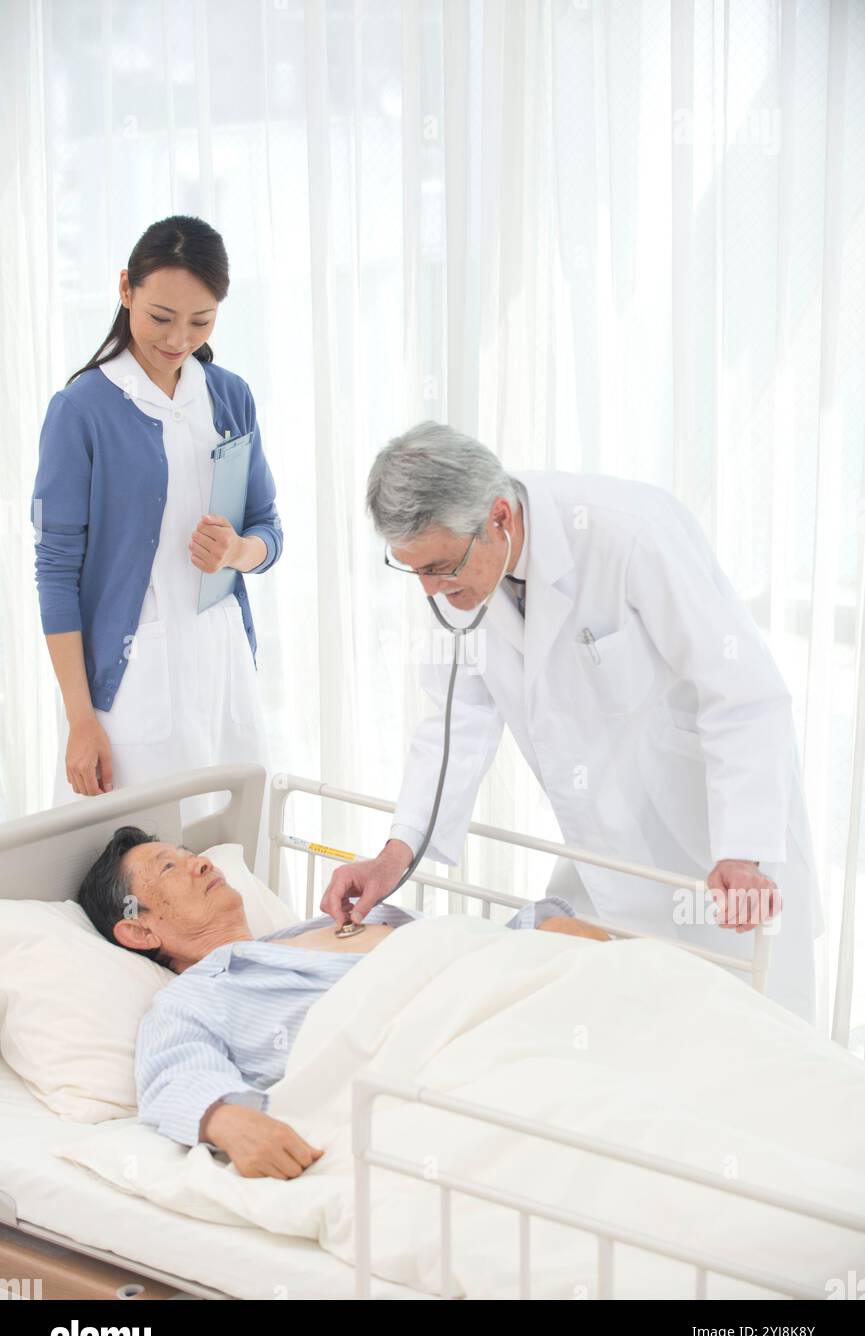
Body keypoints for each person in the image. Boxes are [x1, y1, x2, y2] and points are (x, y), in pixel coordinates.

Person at [321, 422, 824, 1024]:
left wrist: (742, 850)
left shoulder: (631, 535)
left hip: (711, 848)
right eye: (414, 570)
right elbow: (458, 721)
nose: (432, 588)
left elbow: (742, 693)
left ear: (500, 516)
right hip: (609, 854)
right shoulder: (461, 583)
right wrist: (394, 856)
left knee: (754, 1041)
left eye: (440, 565)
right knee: (632, 1039)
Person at [76, 828, 608, 1180]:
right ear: (138, 928)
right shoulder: (197, 996)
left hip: (533, 995)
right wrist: (223, 1118)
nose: (198, 865)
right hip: (466, 1057)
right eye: (169, 869)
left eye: (189, 856)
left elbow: (454, 944)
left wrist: (538, 928)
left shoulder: (322, 925)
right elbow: (174, 1072)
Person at [30, 215, 281, 871]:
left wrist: (236, 553)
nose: (179, 339)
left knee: (234, 861)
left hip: (223, 659)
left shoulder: (228, 397)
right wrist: (80, 719)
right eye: (162, 317)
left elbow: (268, 529)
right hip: (132, 676)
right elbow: (55, 573)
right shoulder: (82, 409)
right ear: (125, 290)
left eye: (200, 322)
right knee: (139, 868)